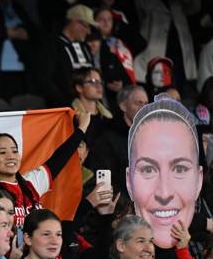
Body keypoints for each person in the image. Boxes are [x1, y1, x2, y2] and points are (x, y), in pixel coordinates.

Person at [126, 93, 202, 249]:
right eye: (148, 169)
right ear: (129, 182)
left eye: (180, 169)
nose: (164, 193)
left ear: (199, 181)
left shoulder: (203, 253)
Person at [85, 85, 148, 194]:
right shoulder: (107, 139)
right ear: (123, 106)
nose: (144, 108)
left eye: (146, 104)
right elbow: (103, 181)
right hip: (124, 206)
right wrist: (124, 206)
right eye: (138, 103)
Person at [33, 5, 96, 108]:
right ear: (75, 22)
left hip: (89, 108)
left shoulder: (85, 47)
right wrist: (67, 103)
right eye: (86, 26)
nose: (89, 31)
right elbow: (44, 80)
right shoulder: (51, 46)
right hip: (63, 110)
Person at [71, 67, 113, 149]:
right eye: (93, 82)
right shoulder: (71, 116)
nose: (99, 86)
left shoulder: (108, 117)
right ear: (79, 87)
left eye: (100, 82)